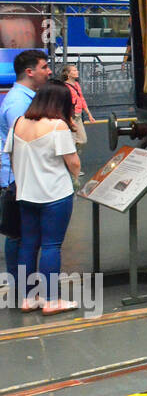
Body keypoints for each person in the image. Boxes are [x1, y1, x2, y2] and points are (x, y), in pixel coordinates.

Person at [7, 81, 80, 313]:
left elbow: (11, 157)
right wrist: (76, 179)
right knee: (51, 246)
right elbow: (73, 162)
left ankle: (28, 299)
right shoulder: (58, 126)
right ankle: (51, 300)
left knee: (28, 245)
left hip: (25, 194)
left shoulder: (18, 123)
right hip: (55, 195)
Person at [1, 49, 51, 300]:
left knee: (19, 234)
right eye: (44, 67)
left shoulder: (24, 97)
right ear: (30, 72)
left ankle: (21, 285)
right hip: (17, 177)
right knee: (20, 235)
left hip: (19, 174)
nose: (49, 71)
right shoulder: (19, 102)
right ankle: (22, 288)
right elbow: (23, 139)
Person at [59, 64, 95, 154]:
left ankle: (75, 156)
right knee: (72, 140)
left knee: (82, 139)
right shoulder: (65, 87)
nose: (77, 72)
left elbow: (81, 99)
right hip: (71, 115)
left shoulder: (77, 85)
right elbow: (65, 104)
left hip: (78, 115)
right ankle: (71, 160)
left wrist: (89, 114)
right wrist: (70, 119)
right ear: (68, 73)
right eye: (74, 70)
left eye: (76, 70)